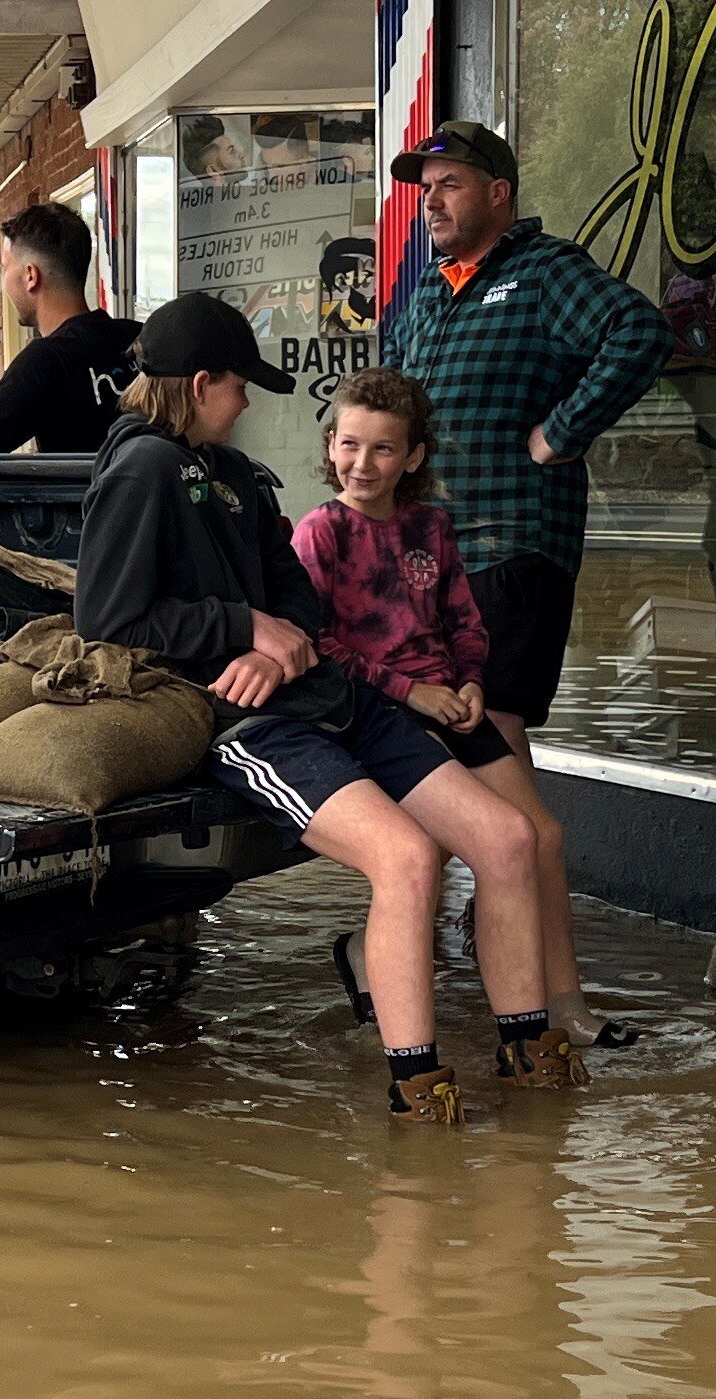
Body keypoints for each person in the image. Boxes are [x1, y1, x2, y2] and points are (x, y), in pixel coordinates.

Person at [76, 292, 580, 1125]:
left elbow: (299, 603)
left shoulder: (233, 473)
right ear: (202, 384)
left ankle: (532, 1059)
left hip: (330, 697)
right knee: (409, 858)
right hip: (252, 721)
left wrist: (277, 637)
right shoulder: (139, 470)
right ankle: (421, 1095)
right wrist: (243, 631)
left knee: (511, 837)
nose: (248, 403)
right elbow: (107, 616)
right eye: (241, 387)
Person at [378, 120, 670, 1036]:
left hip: (509, 558)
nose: (432, 201)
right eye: (425, 188)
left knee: (504, 783)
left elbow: (639, 331)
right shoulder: (426, 296)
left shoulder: (543, 272)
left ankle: (559, 1001)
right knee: (460, 777)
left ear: (498, 192)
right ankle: (463, 965)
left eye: (451, 184)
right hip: (429, 568)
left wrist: (562, 432)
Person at [289, 370, 623, 1051]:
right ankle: (490, 1011)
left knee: (540, 837)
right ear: (330, 447)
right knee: (461, 844)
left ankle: (554, 1007)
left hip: (449, 704)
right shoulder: (320, 534)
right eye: (350, 445)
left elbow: (463, 622)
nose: (363, 463)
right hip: (377, 711)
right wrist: (414, 693)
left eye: (384, 449)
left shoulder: (430, 527)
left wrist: (470, 682)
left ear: (413, 457)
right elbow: (316, 646)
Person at [0, 200, 135, 454]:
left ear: (30, 276)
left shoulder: (46, 362)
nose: (3, 281)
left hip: (90, 495)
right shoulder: (140, 338)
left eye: (5, 268)